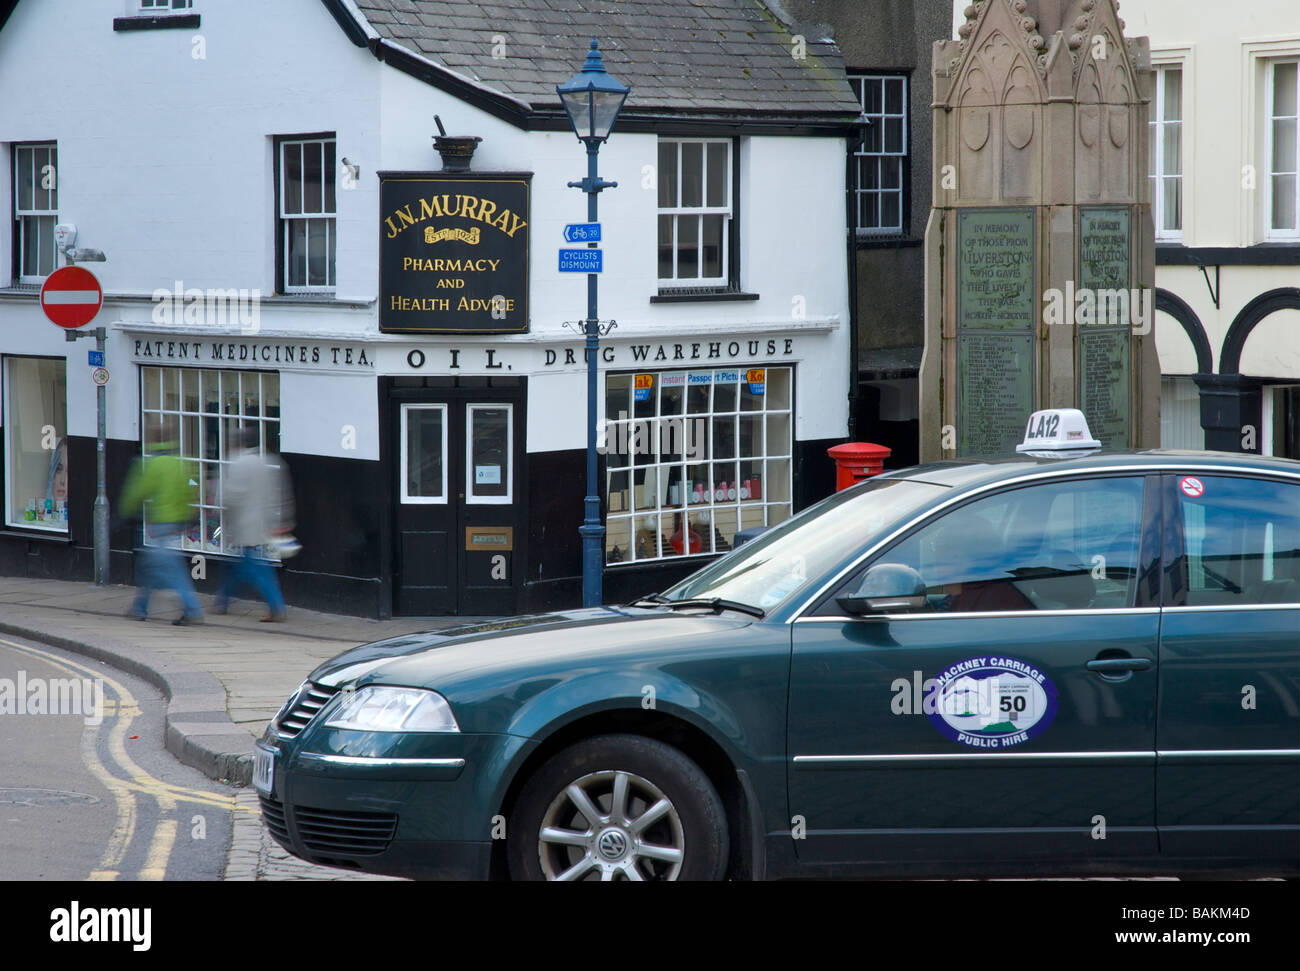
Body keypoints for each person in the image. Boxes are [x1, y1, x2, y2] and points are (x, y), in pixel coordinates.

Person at [120, 424, 204, 625]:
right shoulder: (180, 464)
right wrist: (187, 518)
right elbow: (190, 489)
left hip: (160, 525)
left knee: (169, 570)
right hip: (175, 523)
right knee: (151, 567)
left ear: (155, 441)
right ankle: (139, 608)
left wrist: (125, 511)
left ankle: (192, 610)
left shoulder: (154, 464)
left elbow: (139, 491)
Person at [216, 427, 294, 622]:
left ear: (239, 443)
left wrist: (218, 506)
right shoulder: (269, 461)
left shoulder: (239, 463)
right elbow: (281, 494)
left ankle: (276, 607)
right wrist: (282, 521)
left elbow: (232, 495)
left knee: (255, 568)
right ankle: (222, 601)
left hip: (245, 523)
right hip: (262, 523)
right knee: (240, 566)